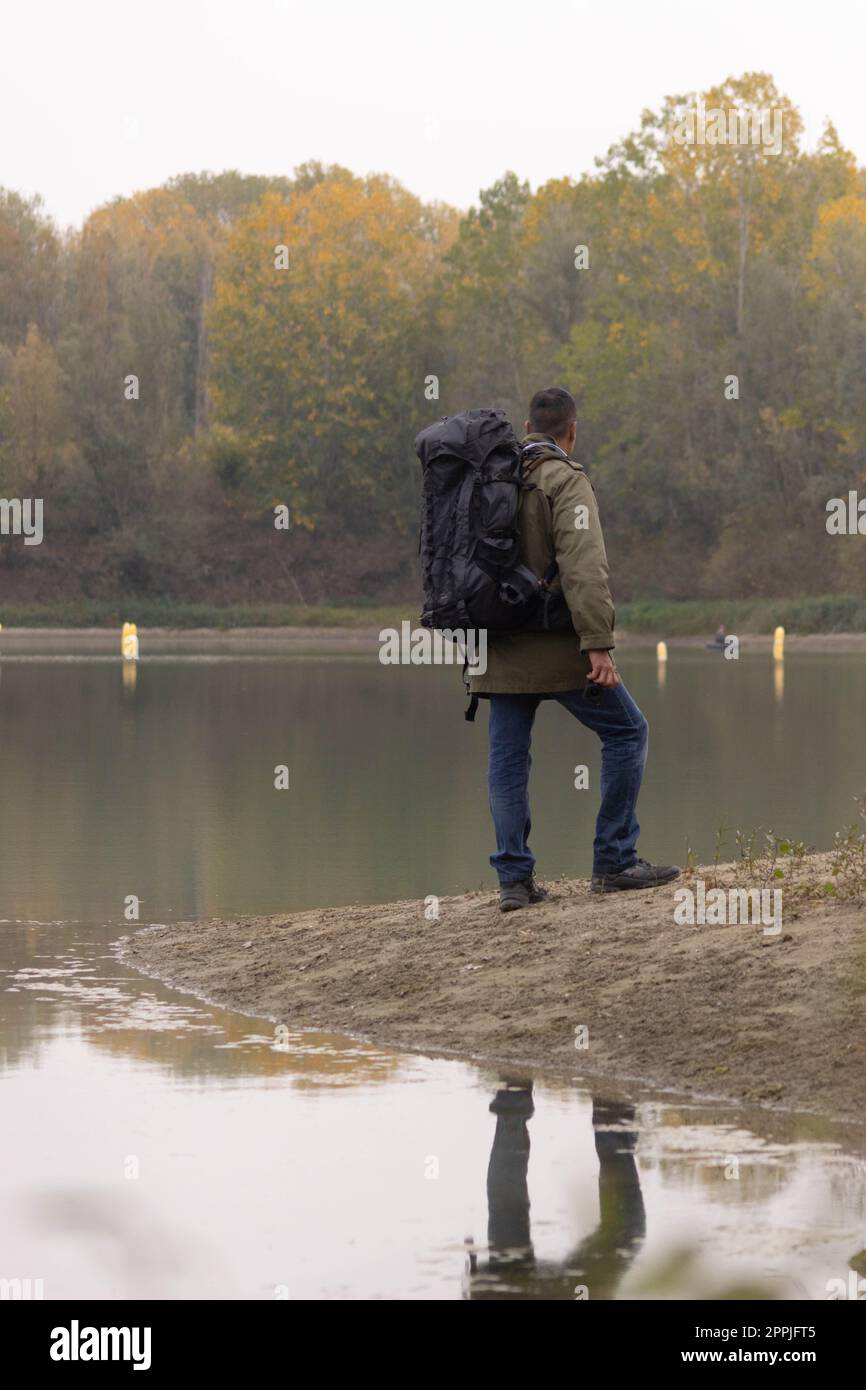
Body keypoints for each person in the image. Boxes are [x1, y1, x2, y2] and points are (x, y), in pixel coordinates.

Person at [469, 386, 679, 911]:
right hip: (557, 645)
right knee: (629, 732)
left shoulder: (490, 479)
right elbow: (585, 569)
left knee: (508, 760)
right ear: (572, 430)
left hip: (494, 644)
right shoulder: (565, 480)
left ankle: (514, 882)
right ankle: (614, 861)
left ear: (526, 427)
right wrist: (599, 645)